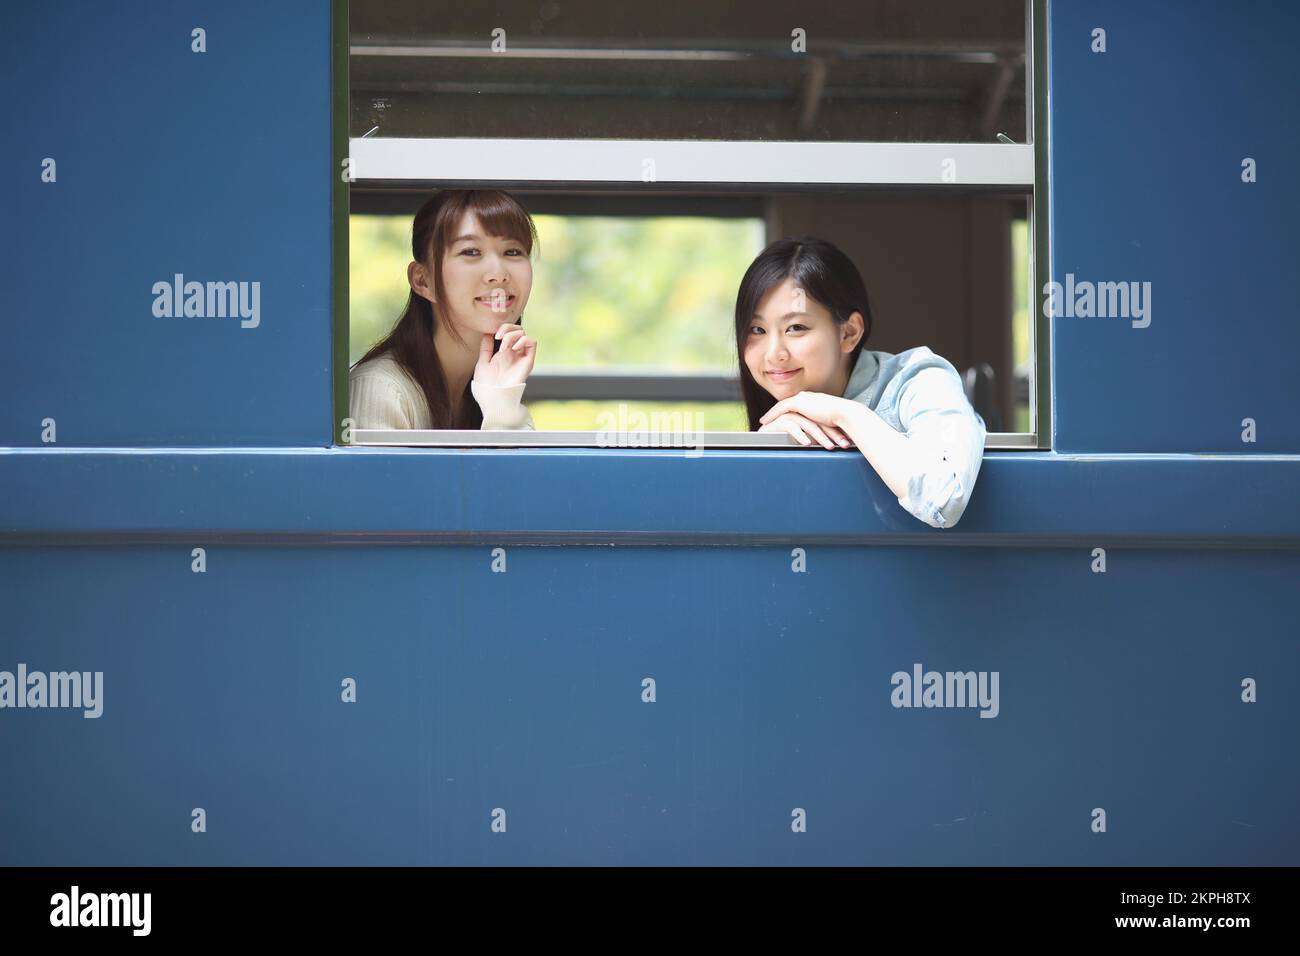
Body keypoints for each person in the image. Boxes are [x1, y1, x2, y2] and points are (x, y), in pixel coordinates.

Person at [735, 237, 986, 529]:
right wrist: (766, 450)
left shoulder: (922, 379)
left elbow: (943, 499)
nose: (774, 353)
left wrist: (844, 414)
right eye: (757, 329)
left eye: (796, 328)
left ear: (849, 333)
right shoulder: (778, 423)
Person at [349, 189, 539, 430]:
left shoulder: (497, 386)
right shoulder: (381, 390)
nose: (499, 274)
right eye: (471, 252)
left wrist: (502, 405)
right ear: (423, 281)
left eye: (512, 251)